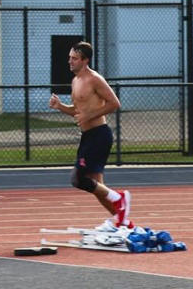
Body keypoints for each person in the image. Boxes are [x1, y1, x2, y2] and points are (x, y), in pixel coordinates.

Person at [48, 41, 133, 230]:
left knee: (79, 179)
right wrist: (60, 106)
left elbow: (114, 103)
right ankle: (124, 222)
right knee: (98, 188)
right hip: (87, 136)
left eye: (74, 58)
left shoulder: (94, 79)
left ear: (85, 60)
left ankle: (119, 198)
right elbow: (78, 111)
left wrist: (90, 115)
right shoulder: (76, 80)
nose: (70, 61)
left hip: (99, 135)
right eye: (70, 58)